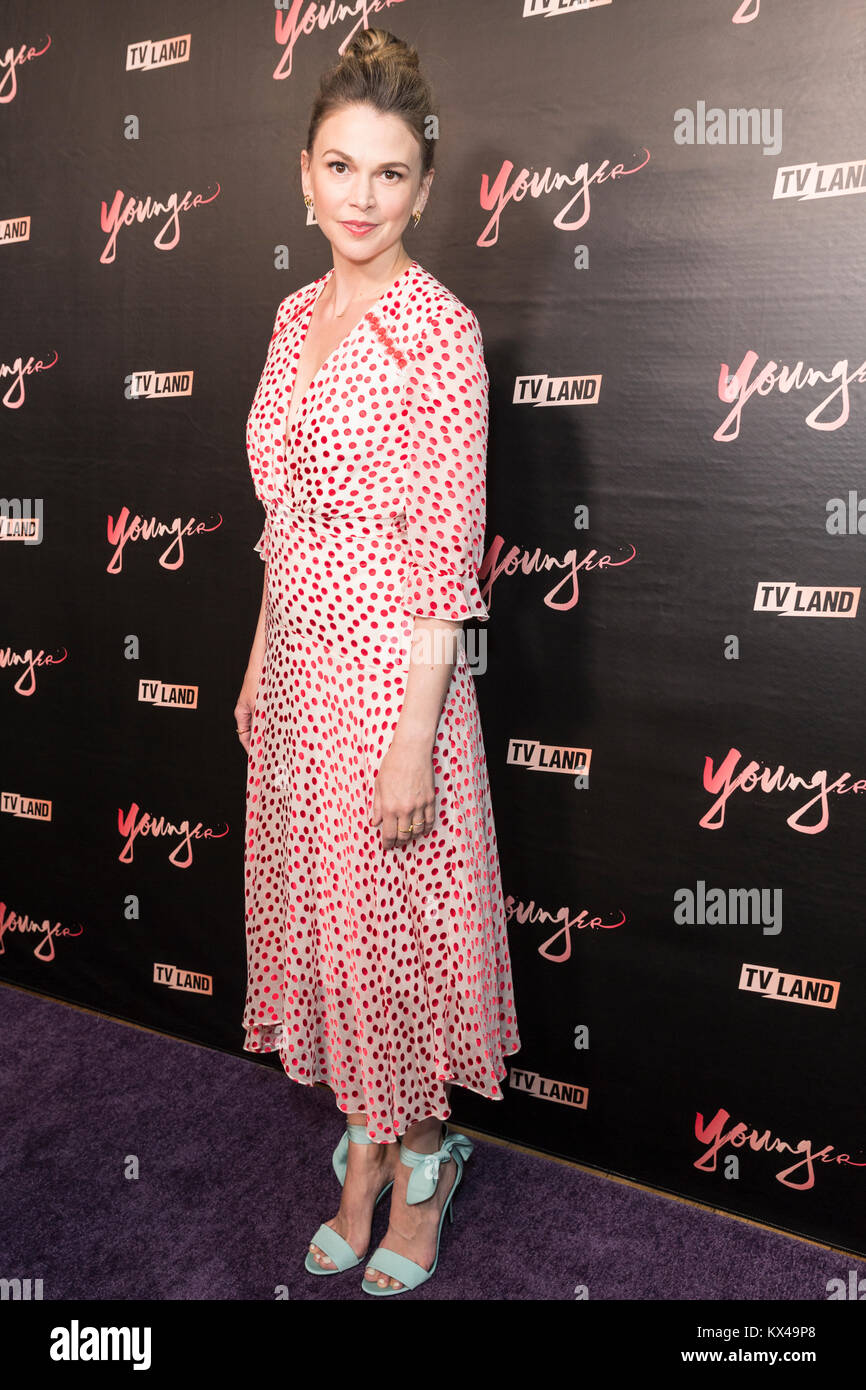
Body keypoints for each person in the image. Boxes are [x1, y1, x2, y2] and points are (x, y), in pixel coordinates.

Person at [234, 27, 521, 1296]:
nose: (360, 197)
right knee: (329, 932)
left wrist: (412, 736)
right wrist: (253, 661)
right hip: (296, 674)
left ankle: (417, 1162)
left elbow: (448, 560)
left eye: (388, 174)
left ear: (422, 186)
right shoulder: (293, 313)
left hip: (391, 688)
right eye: (339, 168)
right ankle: (366, 1141)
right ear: (303, 175)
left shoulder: (438, 333)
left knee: (393, 939)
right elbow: (281, 520)